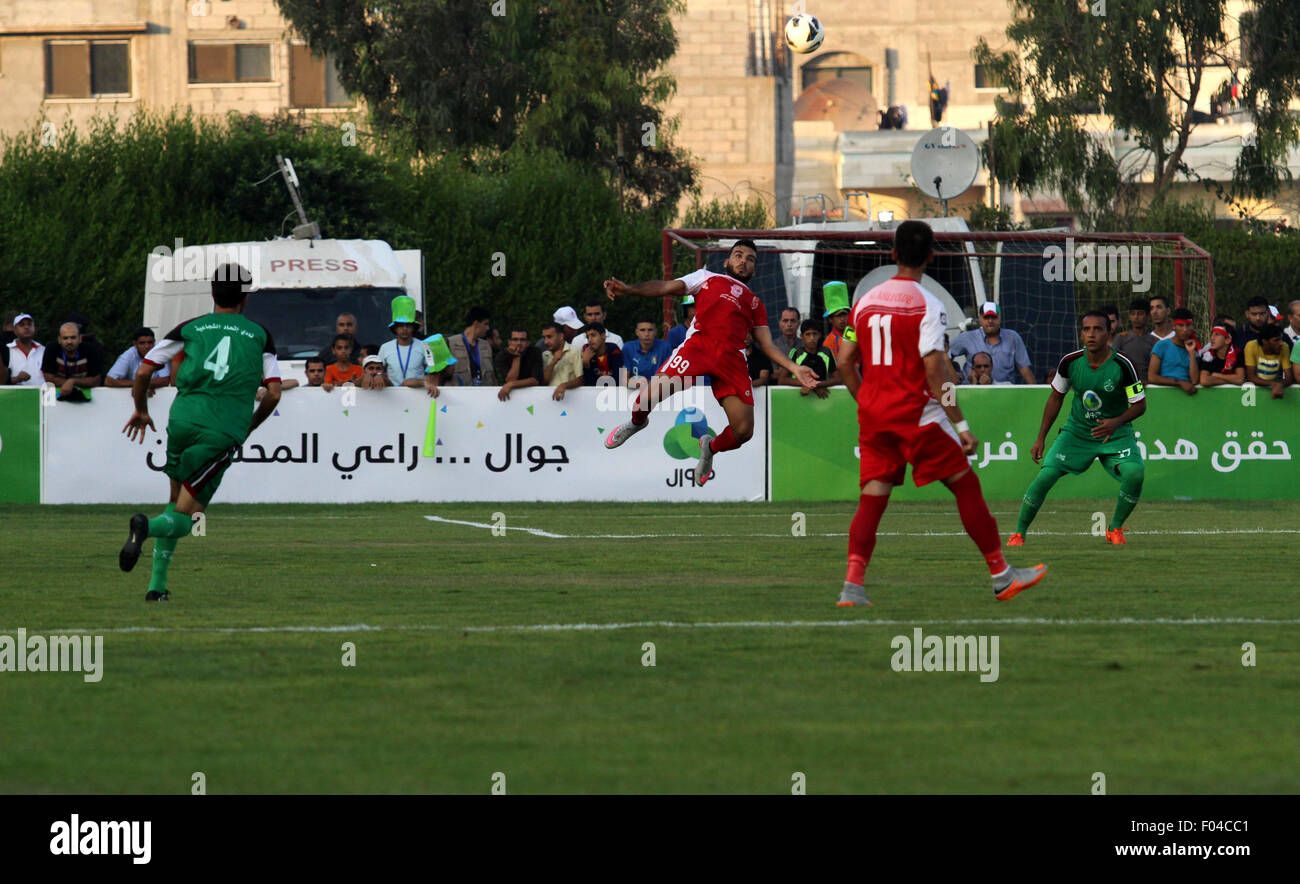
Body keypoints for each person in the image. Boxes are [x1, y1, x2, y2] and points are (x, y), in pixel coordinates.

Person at [834, 220, 1046, 606]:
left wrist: (865, 399)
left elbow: (846, 359)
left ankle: (853, 586)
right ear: (931, 257)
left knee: (872, 500)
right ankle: (1001, 574)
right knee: (965, 486)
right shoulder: (927, 305)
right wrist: (961, 424)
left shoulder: (864, 301)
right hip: (916, 415)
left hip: (875, 416)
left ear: (893, 254)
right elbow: (935, 370)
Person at [118, 264, 282, 602]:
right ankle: (144, 527)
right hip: (220, 432)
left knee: (173, 502)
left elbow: (145, 370)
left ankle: (156, 588)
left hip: (181, 423)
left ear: (212, 294)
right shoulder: (259, 334)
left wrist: (141, 409)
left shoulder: (189, 327)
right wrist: (248, 427)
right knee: (188, 517)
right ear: (245, 299)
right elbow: (275, 393)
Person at [602, 238, 818, 485]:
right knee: (645, 399)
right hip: (698, 348)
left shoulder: (755, 303)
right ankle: (636, 422)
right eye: (739, 255)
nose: (743, 261)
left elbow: (767, 345)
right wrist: (629, 289)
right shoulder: (706, 277)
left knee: (744, 431)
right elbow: (665, 287)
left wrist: (794, 368)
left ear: (754, 268)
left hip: (731, 360)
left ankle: (710, 447)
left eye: (750, 259)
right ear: (728, 260)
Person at [1009, 311, 1146, 547]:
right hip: (1078, 433)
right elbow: (1055, 398)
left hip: (1114, 433)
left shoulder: (1124, 365)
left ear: (1108, 333)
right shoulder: (1070, 362)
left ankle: (1114, 529)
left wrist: (1115, 422)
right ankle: (1019, 533)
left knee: (1135, 473)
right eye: (1086, 329)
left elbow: (1140, 405)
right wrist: (1040, 438)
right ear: (1081, 333)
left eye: (1097, 329)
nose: (1091, 334)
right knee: (1045, 476)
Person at [948, 301, 1035, 384]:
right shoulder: (967, 337)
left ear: (1000, 318)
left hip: (1004, 392)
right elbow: (945, 356)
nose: (990, 321)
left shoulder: (1012, 337)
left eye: (994, 317)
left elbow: (1024, 368)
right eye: (986, 317)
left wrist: (1037, 394)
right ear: (980, 319)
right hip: (972, 391)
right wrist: (955, 372)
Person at [42, 321, 104, 401]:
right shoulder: (52, 349)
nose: (69, 342)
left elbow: (96, 381)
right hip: (57, 397)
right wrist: (70, 383)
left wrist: (72, 382)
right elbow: (49, 379)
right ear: (59, 339)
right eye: (65, 338)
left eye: (73, 337)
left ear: (80, 338)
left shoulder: (91, 350)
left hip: (87, 399)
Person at [778, 319, 837, 398]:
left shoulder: (827, 352)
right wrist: (813, 386)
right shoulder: (795, 352)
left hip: (824, 401)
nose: (812, 338)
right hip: (798, 398)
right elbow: (782, 380)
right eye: (808, 334)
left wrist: (815, 385)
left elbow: (838, 379)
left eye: (814, 334)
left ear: (819, 335)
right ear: (801, 336)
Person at [379, 296, 428, 388]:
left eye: (408, 325)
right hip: (392, 396)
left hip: (418, 394)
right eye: (401, 325)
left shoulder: (424, 346)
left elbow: (432, 372)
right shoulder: (385, 347)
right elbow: (378, 370)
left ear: (413, 327)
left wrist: (420, 382)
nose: (405, 328)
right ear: (395, 328)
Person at [1147, 308, 1199, 395]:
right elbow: (1152, 377)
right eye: (1181, 325)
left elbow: (1194, 381)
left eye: (1188, 325)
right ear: (1173, 326)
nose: (1185, 329)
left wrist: (1191, 353)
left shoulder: (1195, 347)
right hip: (1165, 396)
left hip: (1189, 399)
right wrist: (1179, 382)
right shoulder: (1161, 345)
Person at [106, 327, 170, 389]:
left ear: (154, 342)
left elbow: (165, 380)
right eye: (142, 343)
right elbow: (109, 381)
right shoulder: (128, 355)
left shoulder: (160, 352)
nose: (147, 346)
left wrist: (142, 386)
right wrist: (141, 385)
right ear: (135, 344)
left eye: (150, 342)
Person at [447, 306, 496, 386]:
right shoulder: (451, 343)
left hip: (484, 394)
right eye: (485, 324)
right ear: (476, 323)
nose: (488, 328)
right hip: (460, 394)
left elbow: (492, 375)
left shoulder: (486, 346)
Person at [494, 326, 544, 400]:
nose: (519, 343)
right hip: (510, 397)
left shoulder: (535, 352)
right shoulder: (502, 355)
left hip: (533, 395)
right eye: (515, 339)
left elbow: (535, 380)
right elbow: (509, 380)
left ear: (528, 342)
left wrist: (512, 384)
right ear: (509, 342)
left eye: (522, 340)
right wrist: (517, 357)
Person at [1244, 324, 1292, 399]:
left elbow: (1289, 377)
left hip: (1274, 388)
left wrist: (1279, 385)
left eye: (1281, 339)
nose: (1280, 343)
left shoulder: (1284, 347)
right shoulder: (1251, 346)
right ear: (1265, 341)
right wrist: (1273, 384)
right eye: (1276, 340)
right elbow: (1251, 377)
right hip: (1252, 392)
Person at [1113, 298, 1156, 382]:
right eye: (1133, 314)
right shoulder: (1121, 338)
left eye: (1140, 314)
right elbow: (1114, 363)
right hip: (1126, 385)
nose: (1136, 317)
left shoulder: (1154, 341)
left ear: (1148, 316)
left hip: (1148, 387)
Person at [540, 321, 584, 401]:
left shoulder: (574, 352)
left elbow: (580, 380)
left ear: (561, 336)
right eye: (544, 338)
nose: (546, 342)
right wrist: (554, 361)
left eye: (549, 337)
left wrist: (564, 385)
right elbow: (543, 382)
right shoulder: (545, 355)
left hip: (572, 401)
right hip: (549, 401)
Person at [5, 313, 45, 386]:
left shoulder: (43, 350)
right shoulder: (7, 350)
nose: (26, 327)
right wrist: (17, 379)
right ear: (15, 330)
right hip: (14, 396)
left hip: (40, 396)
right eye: (22, 325)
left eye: (29, 324)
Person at [822, 281, 851, 355]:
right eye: (838, 316)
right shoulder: (829, 342)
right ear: (830, 319)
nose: (842, 319)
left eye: (844, 314)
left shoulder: (855, 334)